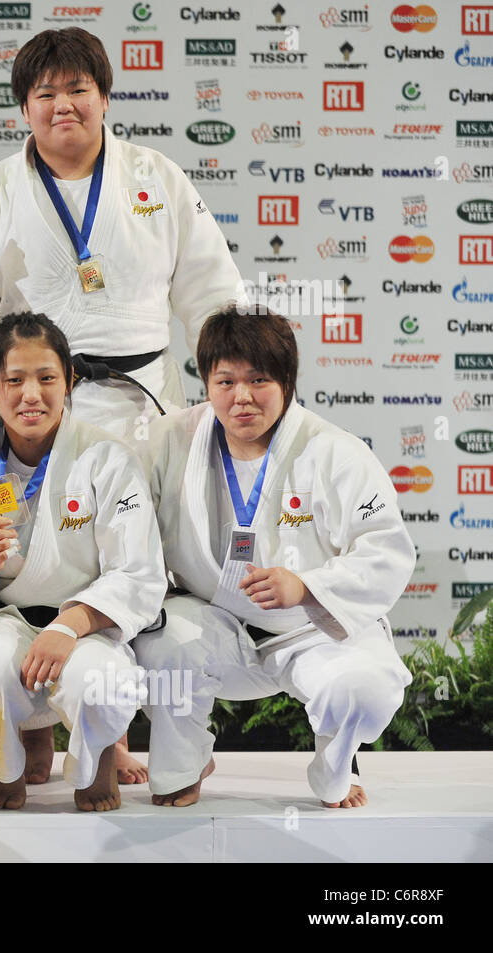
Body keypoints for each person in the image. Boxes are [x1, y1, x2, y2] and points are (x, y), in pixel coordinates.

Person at [136, 306, 414, 809]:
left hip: (311, 629)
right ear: (205, 380)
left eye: (258, 379)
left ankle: (335, 765)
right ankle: (184, 761)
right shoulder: (167, 440)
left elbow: (387, 550)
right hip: (215, 623)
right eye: (225, 381)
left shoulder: (335, 451)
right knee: (161, 645)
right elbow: (127, 530)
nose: (241, 396)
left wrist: (307, 586)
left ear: (286, 381)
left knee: (365, 688)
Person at [0, 27, 245, 449]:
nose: (63, 106)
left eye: (78, 89)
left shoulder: (158, 178)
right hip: (32, 413)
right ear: (24, 108)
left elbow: (213, 294)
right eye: (46, 93)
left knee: (145, 512)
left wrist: (236, 391)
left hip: (144, 407)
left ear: (105, 98)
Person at [0, 313, 167, 811]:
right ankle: (8, 752)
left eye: (46, 379)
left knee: (101, 685)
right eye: (14, 380)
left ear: (69, 381)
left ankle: (98, 754)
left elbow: (138, 572)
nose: (31, 395)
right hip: (0, 619)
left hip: (87, 621)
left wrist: (68, 626)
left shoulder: (107, 457)